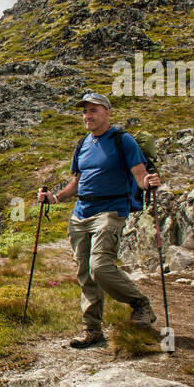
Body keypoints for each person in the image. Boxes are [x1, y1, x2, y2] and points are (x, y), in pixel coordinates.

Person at [37, 92, 161, 348]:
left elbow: (139, 175)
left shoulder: (123, 141)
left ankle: (139, 303)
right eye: (85, 111)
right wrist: (55, 198)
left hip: (111, 211)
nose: (88, 116)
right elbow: (77, 182)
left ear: (107, 112)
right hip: (81, 213)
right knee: (85, 273)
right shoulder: (83, 144)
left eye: (93, 110)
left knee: (100, 266)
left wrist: (148, 182)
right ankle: (92, 330)